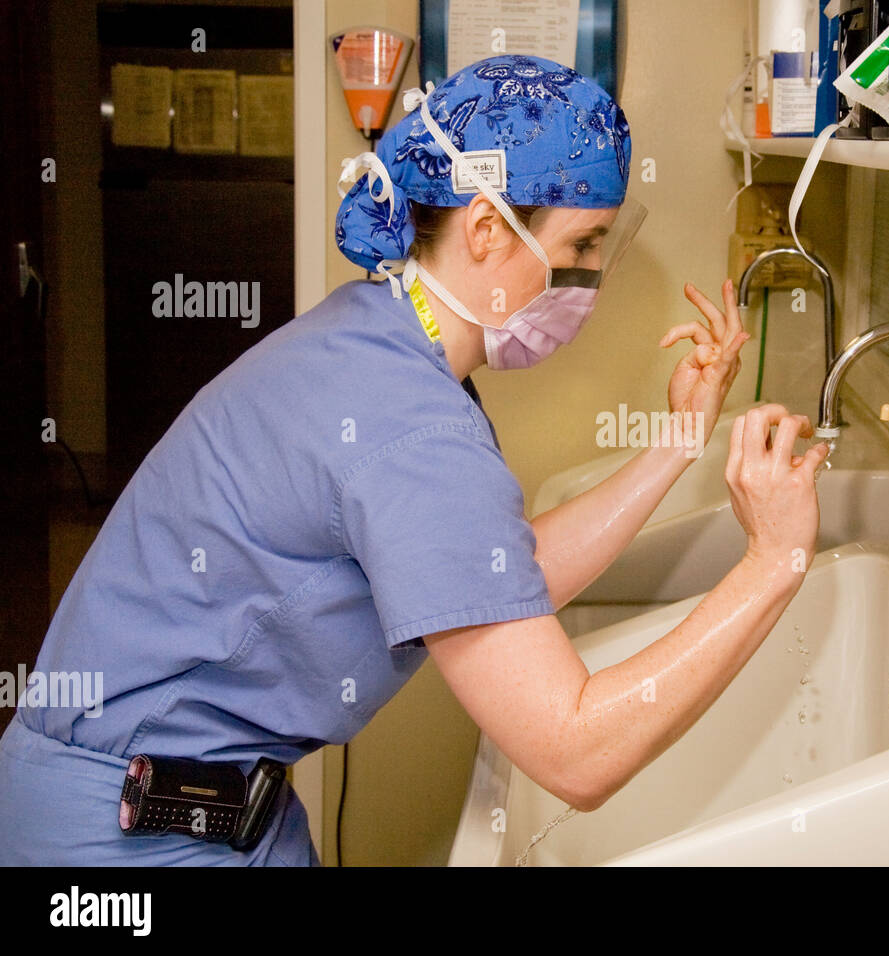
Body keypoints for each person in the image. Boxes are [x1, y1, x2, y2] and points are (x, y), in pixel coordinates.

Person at [0, 54, 828, 865]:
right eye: (583, 243)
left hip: (207, 800)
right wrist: (774, 560)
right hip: (127, 834)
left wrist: (680, 441)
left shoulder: (380, 340)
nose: (587, 279)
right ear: (484, 227)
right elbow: (575, 754)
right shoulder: (410, 425)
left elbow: (498, 572)